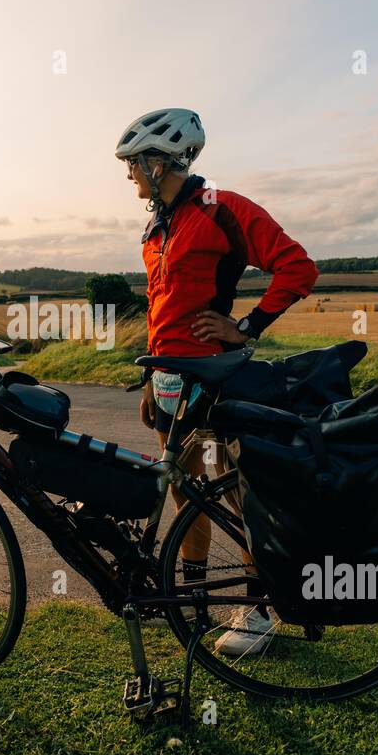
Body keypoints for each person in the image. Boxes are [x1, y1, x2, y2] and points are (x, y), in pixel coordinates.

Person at [116, 107, 319, 655]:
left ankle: (257, 613)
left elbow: (297, 266)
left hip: (217, 378)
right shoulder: (157, 226)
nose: (129, 175)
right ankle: (196, 604)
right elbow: (165, 308)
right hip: (170, 382)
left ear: (159, 164)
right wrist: (153, 378)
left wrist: (245, 326)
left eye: (133, 164)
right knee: (185, 493)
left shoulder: (223, 209)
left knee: (237, 497)